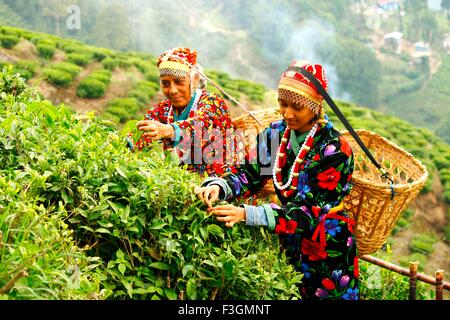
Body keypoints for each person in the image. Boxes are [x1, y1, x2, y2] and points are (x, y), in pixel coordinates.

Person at [196, 61, 359, 300]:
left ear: (315, 106)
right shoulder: (276, 133)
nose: (288, 113)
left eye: (297, 107)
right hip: (290, 243)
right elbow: (249, 174)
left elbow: (307, 212)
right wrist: (219, 187)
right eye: (283, 104)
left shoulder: (334, 150)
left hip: (327, 251)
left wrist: (246, 214)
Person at [127, 47, 238, 176]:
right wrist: (126, 144)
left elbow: (204, 123)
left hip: (221, 184)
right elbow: (141, 133)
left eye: (179, 82)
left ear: (194, 80)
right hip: (181, 184)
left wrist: (169, 130)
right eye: (165, 83)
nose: (172, 90)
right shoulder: (164, 109)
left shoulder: (213, 102)